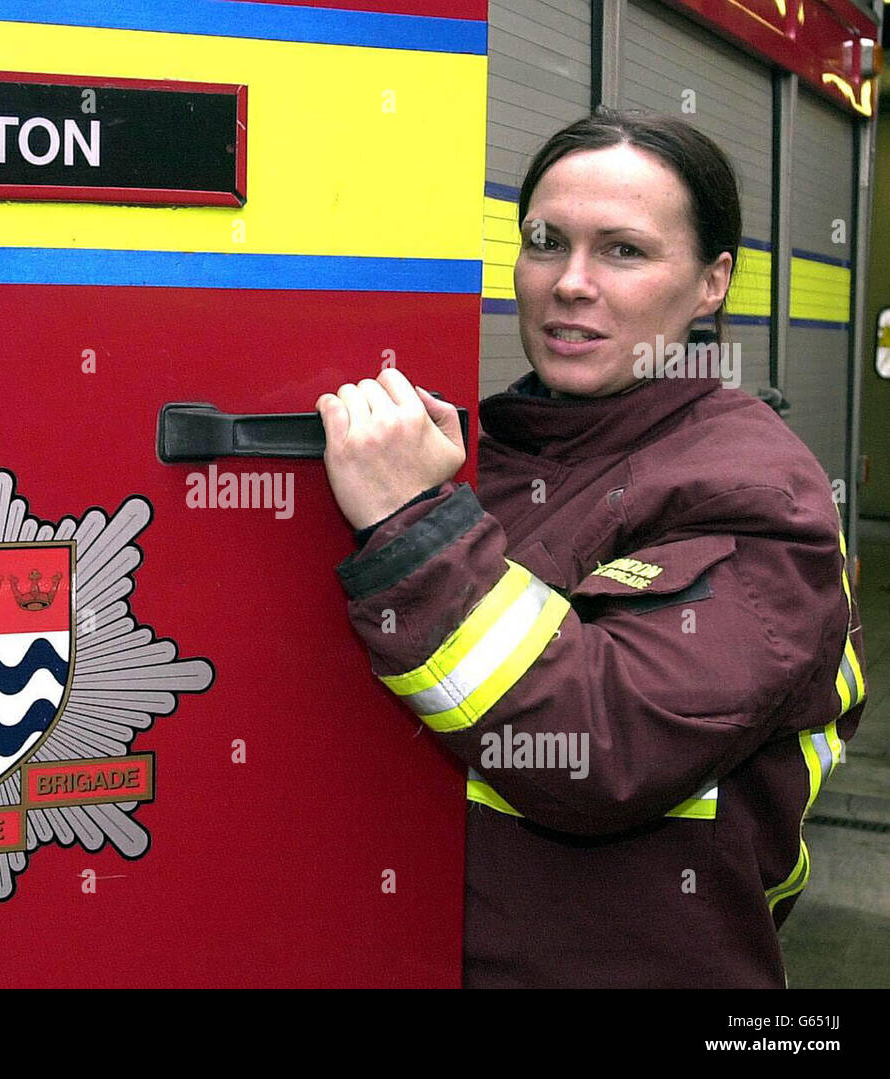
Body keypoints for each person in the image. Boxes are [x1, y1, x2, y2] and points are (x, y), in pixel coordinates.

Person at [315, 109, 867, 988]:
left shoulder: (757, 493)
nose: (570, 282)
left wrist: (414, 524)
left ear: (712, 282)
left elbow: (598, 748)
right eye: (546, 241)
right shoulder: (487, 453)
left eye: (623, 250)